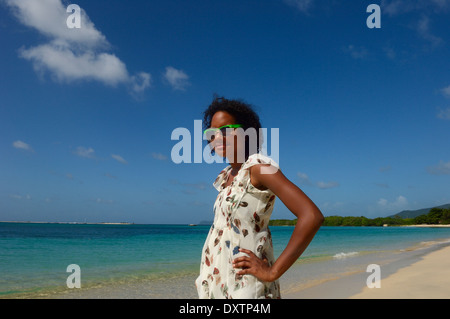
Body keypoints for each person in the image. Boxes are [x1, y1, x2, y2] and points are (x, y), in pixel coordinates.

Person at [195, 96, 324, 299]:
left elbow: (311, 216)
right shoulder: (227, 176)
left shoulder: (258, 168)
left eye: (226, 130)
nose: (217, 138)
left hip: (246, 288)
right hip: (219, 285)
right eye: (211, 133)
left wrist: (272, 272)